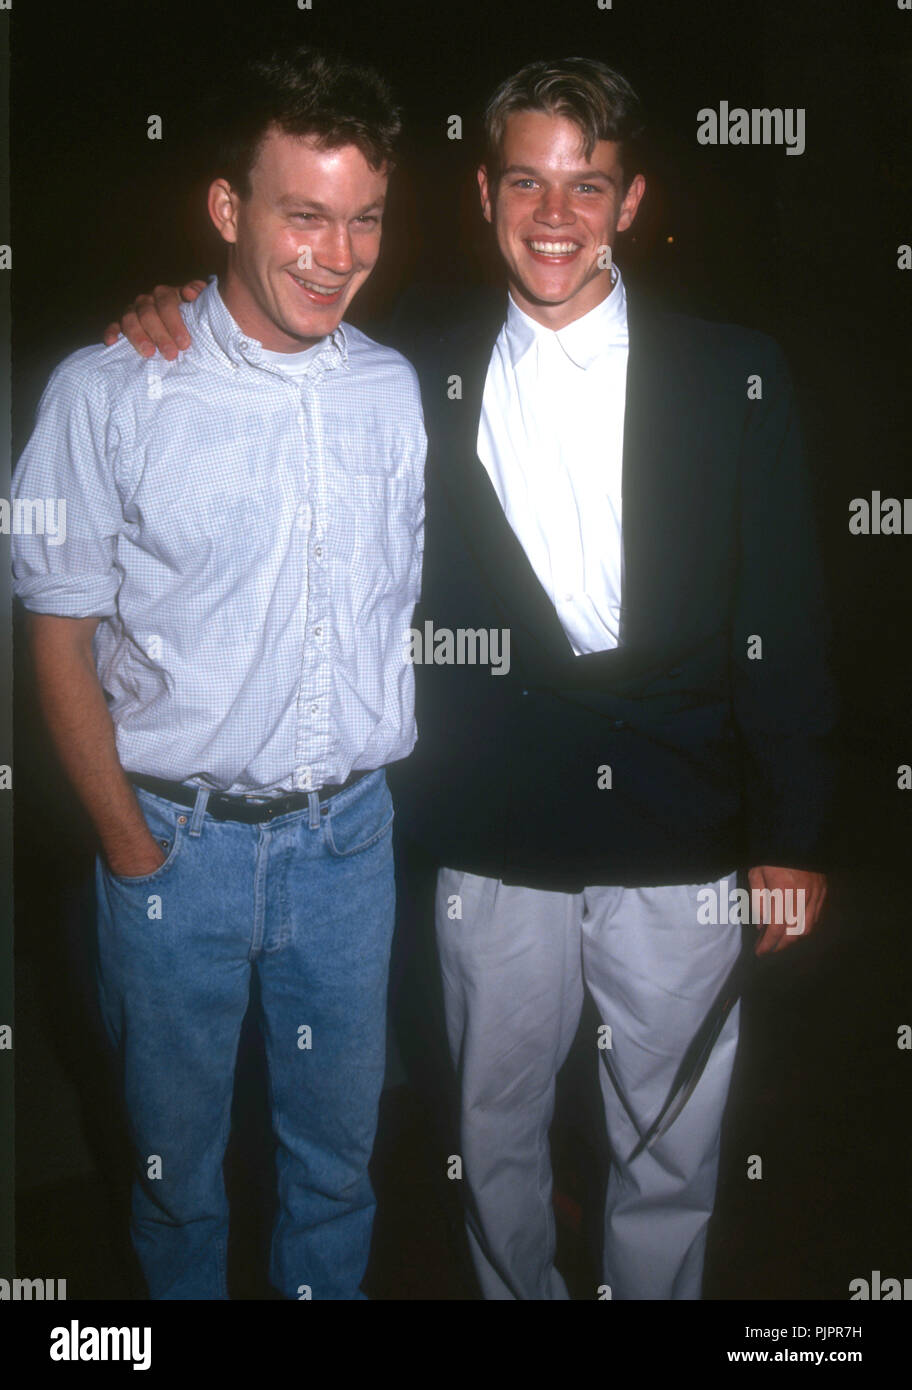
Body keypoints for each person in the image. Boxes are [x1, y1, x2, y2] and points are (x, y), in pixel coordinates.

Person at [101, 56, 835, 1301]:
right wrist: (171, 306)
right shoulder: (399, 370)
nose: (557, 214)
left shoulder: (735, 369)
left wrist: (794, 833)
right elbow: (261, 341)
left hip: (686, 822)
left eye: (587, 185)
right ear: (485, 195)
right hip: (492, 831)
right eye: (527, 182)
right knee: (490, 1136)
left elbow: (785, 612)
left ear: (630, 200)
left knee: (670, 1142)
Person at [11, 46, 426, 1301]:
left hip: (350, 848)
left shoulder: (393, 390)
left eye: (364, 220)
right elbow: (56, 638)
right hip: (172, 853)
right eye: (305, 215)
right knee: (175, 1181)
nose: (337, 255)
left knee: (336, 1173)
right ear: (228, 209)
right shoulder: (107, 390)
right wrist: (130, 850)